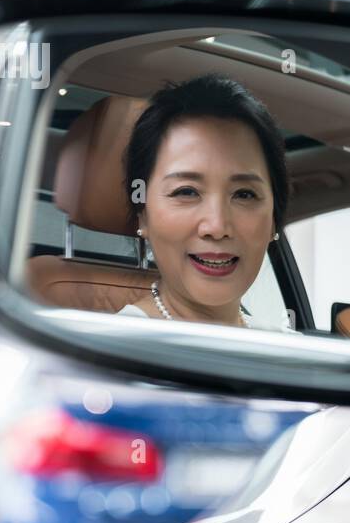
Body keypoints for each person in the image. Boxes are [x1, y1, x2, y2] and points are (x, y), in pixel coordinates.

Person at [117, 74, 298, 333]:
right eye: (187, 192)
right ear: (143, 214)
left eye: (244, 194)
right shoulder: (108, 353)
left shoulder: (292, 351)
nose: (216, 226)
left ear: (272, 221)